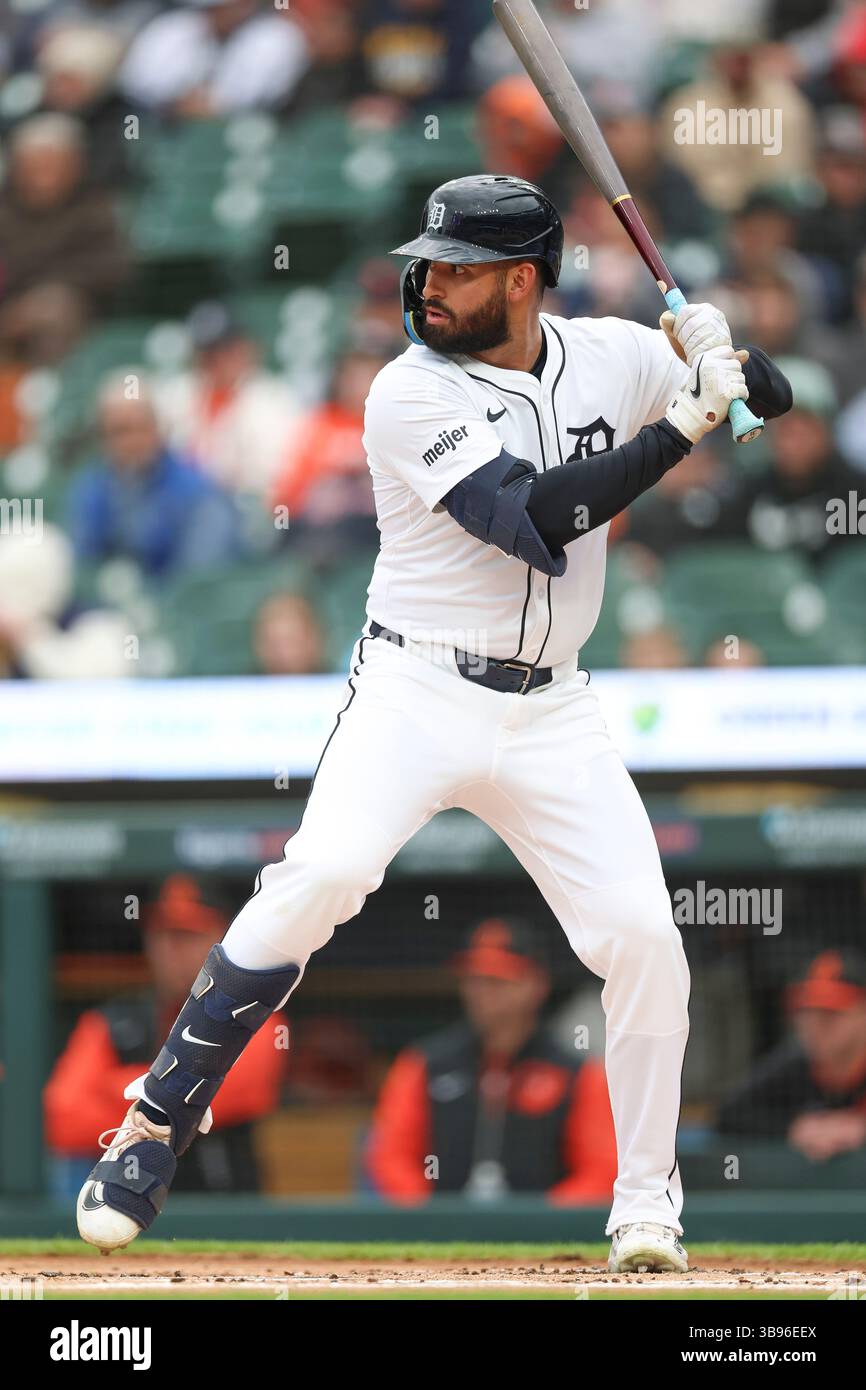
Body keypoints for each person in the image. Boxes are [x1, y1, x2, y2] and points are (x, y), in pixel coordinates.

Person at [76, 173, 792, 1275]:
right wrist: (686, 422)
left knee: (645, 939)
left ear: (521, 279)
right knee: (320, 874)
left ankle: (646, 1203)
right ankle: (156, 1120)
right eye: (427, 264)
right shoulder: (406, 393)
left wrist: (715, 349)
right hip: (415, 687)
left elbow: (774, 401)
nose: (428, 285)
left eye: (456, 268)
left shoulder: (608, 351)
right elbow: (534, 521)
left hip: (552, 702)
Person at [46, 876, 288, 1192]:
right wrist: (176, 1092)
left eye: (188, 935)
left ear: (223, 939)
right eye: (163, 934)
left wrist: (116, 1087)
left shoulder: (251, 1013)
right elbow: (63, 1121)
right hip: (129, 1205)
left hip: (226, 1209)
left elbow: (244, 1089)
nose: (172, 949)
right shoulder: (110, 1020)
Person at [367, 918, 617, 1204]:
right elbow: (390, 1156)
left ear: (536, 985)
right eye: (474, 979)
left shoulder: (579, 1072)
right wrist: (432, 1219)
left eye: (498, 980)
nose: (482, 992)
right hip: (441, 1237)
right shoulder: (424, 1063)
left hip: (545, 1240)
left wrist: (539, 1222)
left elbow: (602, 1169)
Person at [68, 372, 242, 579]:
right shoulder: (93, 487)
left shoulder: (198, 493)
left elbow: (196, 581)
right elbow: (82, 562)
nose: (132, 441)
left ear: (159, 428)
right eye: (119, 431)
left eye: (141, 427)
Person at [717, 950, 866, 1161]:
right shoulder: (796, 1064)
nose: (814, 1026)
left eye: (830, 1014)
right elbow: (729, 1114)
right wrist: (796, 1127)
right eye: (805, 1013)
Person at [156, 302, 300, 499]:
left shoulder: (273, 398)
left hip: (246, 504)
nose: (217, 359)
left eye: (225, 348)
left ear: (246, 347)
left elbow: (272, 474)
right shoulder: (177, 393)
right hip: (182, 502)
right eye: (208, 351)